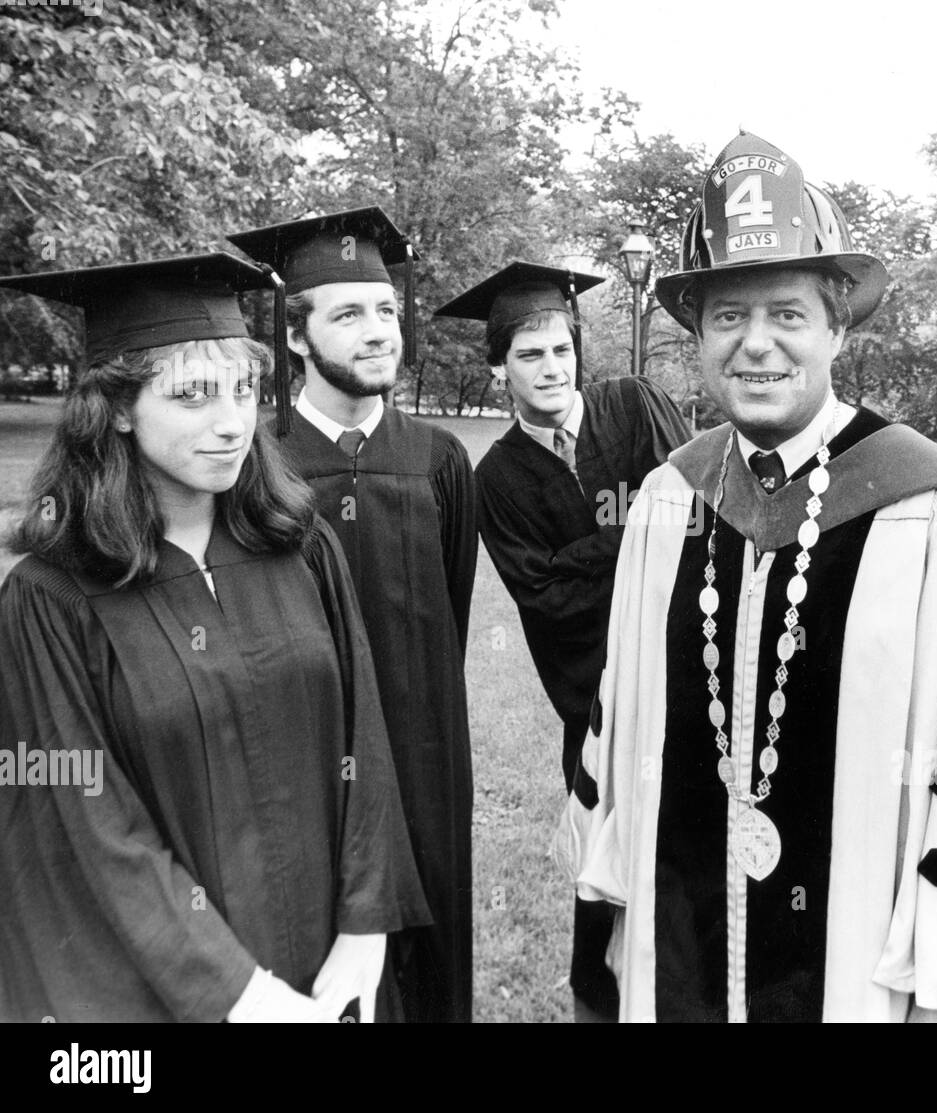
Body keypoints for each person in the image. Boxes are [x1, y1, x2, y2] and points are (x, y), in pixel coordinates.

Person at [559, 132, 937, 1022]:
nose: (755, 344)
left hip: (860, 969)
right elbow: (621, 727)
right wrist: (610, 906)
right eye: (728, 317)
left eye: (787, 315)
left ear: (837, 326)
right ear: (698, 334)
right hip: (675, 942)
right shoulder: (665, 499)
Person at [0, 254, 429, 1022]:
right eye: (193, 395)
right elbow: (86, 816)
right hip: (172, 988)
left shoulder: (301, 548)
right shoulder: (52, 598)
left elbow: (367, 738)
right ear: (119, 407)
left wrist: (366, 926)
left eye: (242, 389)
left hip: (336, 974)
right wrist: (241, 995)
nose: (232, 421)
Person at [226, 208, 477, 1023]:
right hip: (309, 761)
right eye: (347, 314)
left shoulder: (438, 460)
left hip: (428, 750)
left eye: (385, 312)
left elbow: (455, 606)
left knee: (434, 959)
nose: (378, 332)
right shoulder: (254, 467)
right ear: (296, 336)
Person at [435, 261, 692, 1021]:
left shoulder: (634, 406)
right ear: (498, 373)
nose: (550, 369)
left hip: (687, 672)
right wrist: (639, 529)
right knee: (602, 871)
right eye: (528, 355)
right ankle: (598, 1003)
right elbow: (547, 602)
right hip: (596, 705)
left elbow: (702, 513)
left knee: (687, 864)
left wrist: (595, 551)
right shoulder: (498, 481)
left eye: (560, 351)